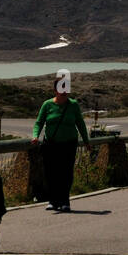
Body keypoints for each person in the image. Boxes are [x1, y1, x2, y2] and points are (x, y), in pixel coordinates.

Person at [31, 79, 92, 212]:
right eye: (61, 89)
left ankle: (65, 201)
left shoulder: (73, 105)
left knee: (66, 172)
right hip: (51, 144)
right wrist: (35, 135)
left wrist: (86, 141)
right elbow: (39, 122)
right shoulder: (47, 105)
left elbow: (80, 124)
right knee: (51, 173)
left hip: (69, 144)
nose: (64, 92)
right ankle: (53, 201)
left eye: (66, 89)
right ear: (55, 90)